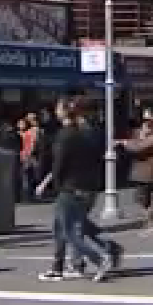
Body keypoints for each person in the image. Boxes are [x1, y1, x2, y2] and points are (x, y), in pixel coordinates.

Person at [38, 96, 122, 282]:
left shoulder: (66, 135)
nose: (55, 111)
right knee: (70, 226)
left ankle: (99, 259)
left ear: (66, 111)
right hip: (87, 186)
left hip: (71, 187)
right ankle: (59, 266)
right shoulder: (87, 133)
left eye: (58, 108)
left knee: (70, 231)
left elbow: (59, 164)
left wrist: (53, 185)